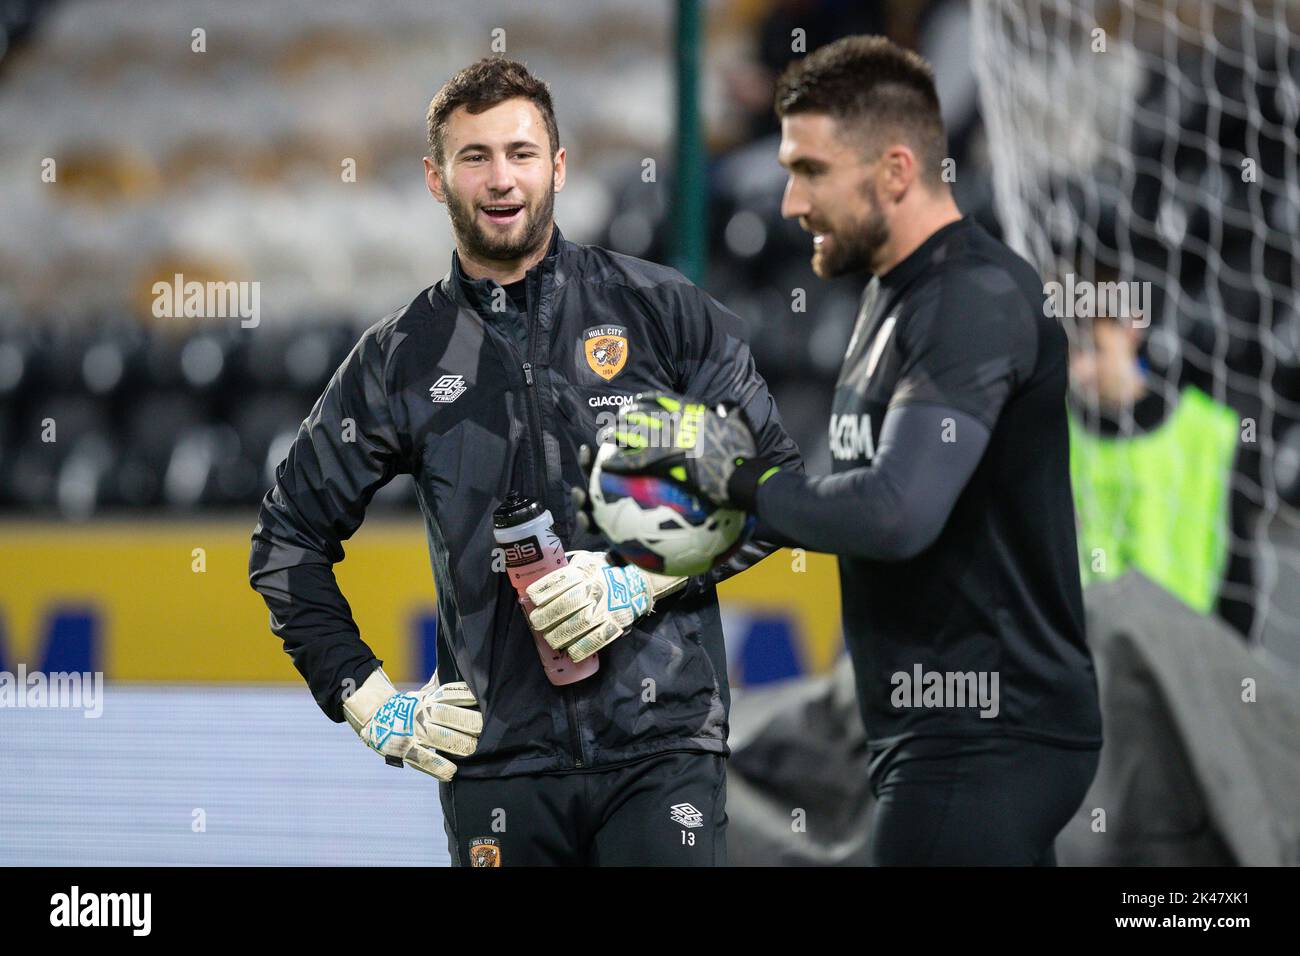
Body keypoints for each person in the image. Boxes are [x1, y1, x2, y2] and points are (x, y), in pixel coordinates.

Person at [247, 56, 800, 867]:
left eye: (521, 153)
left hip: (662, 751)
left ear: (560, 167)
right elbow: (286, 540)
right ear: (436, 179)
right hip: (498, 770)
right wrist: (370, 704)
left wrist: (637, 579)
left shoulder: (659, 312)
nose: (501, 179)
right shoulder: (400, 357)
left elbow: (776, 484)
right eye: (475, 157)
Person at [602, 36, 1103, 865]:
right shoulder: (892, 295)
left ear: (896, 171)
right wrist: (647, 577)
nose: (789, 200)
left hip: (985, 741)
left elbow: (897, 514)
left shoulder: (970, 301)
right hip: (938, 740)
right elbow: (847, 498)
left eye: (810, 170)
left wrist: (734, 476)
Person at [1066, 298, 1239, 615]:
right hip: (1092, 635)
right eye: (1071, 353)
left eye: (1093, 347)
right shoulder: (1060, 428)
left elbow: (1240, 558)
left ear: (1131, 331)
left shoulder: (1209, 429)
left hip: (1182, 641)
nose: (1079, 368)